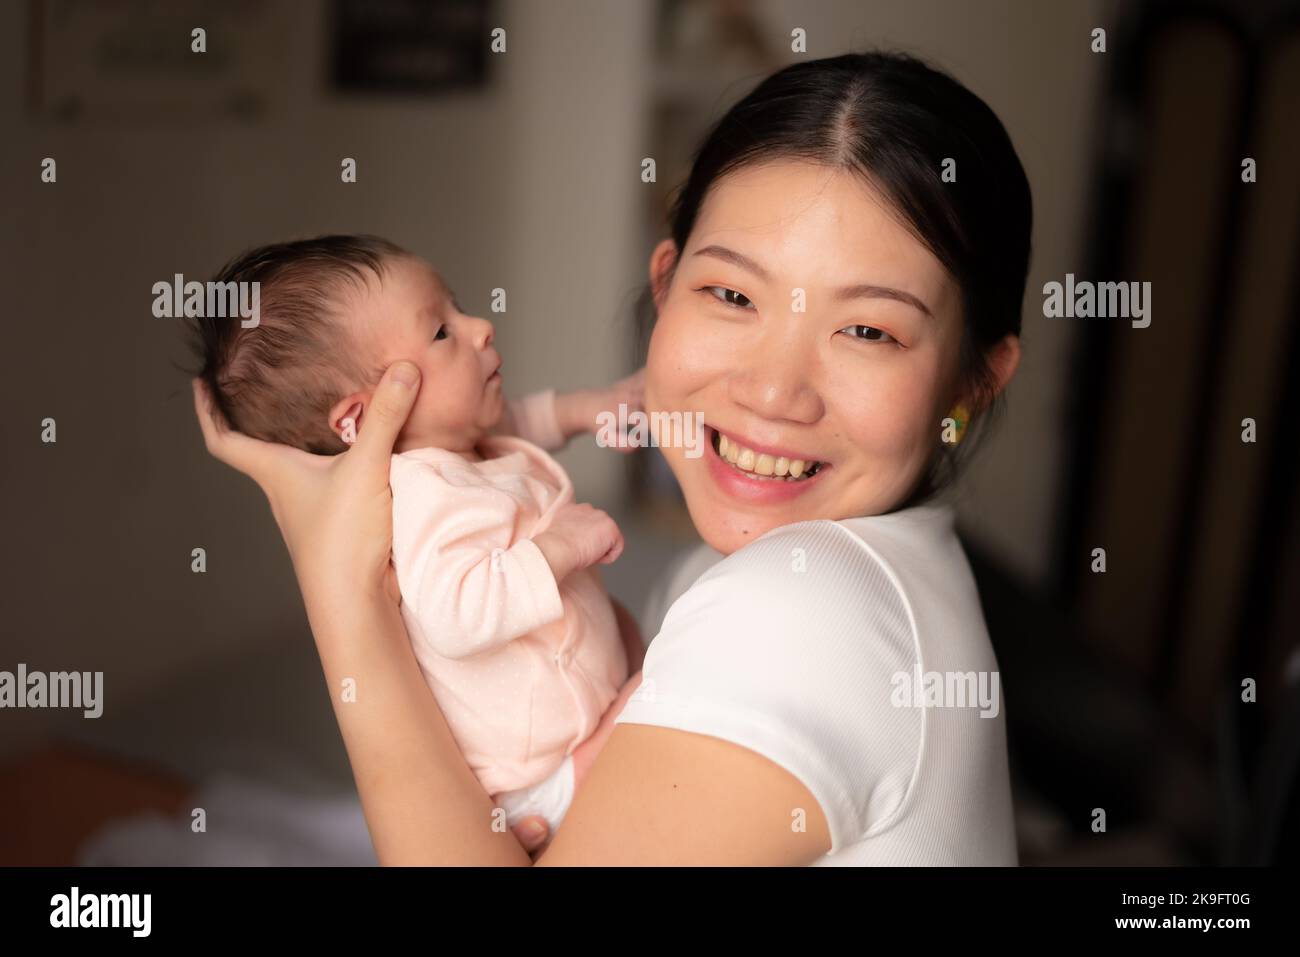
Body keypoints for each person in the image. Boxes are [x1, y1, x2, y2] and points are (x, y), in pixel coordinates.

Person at [193, 49, 1031, 865]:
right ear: (666, 285)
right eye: (733, 295)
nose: (774, 393)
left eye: (868, 330)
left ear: (973, 381)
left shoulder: (800, 614)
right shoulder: (864, 568)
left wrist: (343, 596)